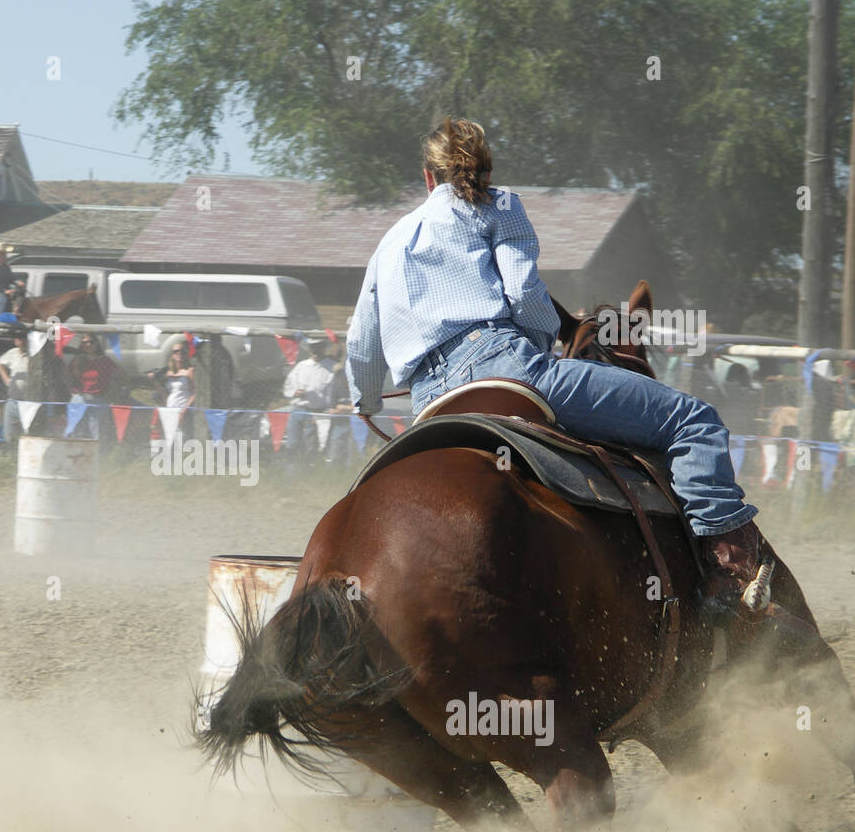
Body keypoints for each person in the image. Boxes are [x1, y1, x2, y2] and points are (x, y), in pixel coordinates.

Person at [346, 117, 765, 617]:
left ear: (427, 177)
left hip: (428, 402)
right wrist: (547, 338)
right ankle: (728, 570)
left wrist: (365, 402)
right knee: (693, 420)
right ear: (483, 168)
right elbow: (525, 295)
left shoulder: (389, 242)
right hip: (507, 371)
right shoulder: (498, 205)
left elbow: (361, 344)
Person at [281, 336, 339, 459]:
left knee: (311, 447)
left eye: (318, 347)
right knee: (292, 443)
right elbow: (288, 386)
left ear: (323, 348)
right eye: (313, 348)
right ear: (309, 350)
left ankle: (309, 471)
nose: (315, 351)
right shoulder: (302, 366)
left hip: (319, 412)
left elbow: (338, 392)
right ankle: (291, 473)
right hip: (298, 410)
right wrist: (294, 393)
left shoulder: (332, 367)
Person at [65, 332, 120, 442]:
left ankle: (96, 455)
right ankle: (74, 454)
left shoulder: (104, 360)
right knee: (76, 429)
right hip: (79, 398)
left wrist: (111, 393)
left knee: (95, 430)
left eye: (91, 342)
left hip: (98, 399)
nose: (88, 345)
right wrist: (73, 391)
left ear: (96, 344)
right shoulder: (77, 360)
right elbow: (67, 377)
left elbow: (119, 376)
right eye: (84, 343)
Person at [149, 339, 196, 439]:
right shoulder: (169, 373)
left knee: (183, 438)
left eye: (182, 351)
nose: (179, 354)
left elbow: (194, 393)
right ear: (172, 355)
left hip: (183, 409)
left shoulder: (189, 371)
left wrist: (185, 410)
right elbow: (165, 395)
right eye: (176, 351)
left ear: (186, 354)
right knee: (170, 438)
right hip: (170, 408)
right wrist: (154, 381)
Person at [0, 330, 31, 444]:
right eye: (18, 338)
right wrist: (6, 379)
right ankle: (10, 456)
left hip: (29, 402)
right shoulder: (12, 353)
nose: (21, 341)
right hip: (13, 400)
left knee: (27, 433)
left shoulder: (34, 354)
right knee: (9, 435)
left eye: (23, 338)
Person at [0, 243, 25, 319]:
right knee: (2, 301)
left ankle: (15, 313)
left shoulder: (6, 267)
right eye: (3, 255)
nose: (5, 257)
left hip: (7, 289)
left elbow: (11, 278)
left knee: (20, 296)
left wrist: (17, 282)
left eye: (5, 255)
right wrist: (4, 291)